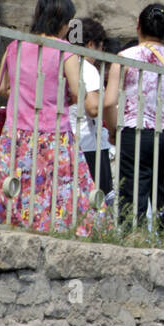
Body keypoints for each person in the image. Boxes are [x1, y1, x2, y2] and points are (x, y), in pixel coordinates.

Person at [0, 0, 105, 235]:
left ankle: (15, 225)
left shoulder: (15, 46)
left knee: (19, 185)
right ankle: (61, 230)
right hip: (53, 135)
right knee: (62, 189)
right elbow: (77, 92)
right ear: (63, 22)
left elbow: (1, 87)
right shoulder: (65, 50)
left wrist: (25, 94)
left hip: (16, 133)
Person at [103, 3, 164, 229]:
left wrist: (112, 131)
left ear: (138, 25)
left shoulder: (125, 56)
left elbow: (109, 102)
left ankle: (134, 241)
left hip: (135, 131)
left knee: (133, 197)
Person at [65, 17, 118, 202]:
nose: (101, 52)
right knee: (98, 201)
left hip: (66, 141)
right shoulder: (87, 67)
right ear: (90, 44)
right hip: (89, 144)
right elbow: (93, 108)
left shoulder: (60, 62)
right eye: (100, 47)